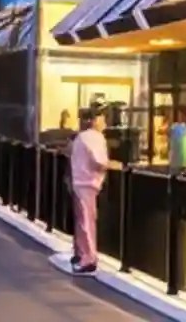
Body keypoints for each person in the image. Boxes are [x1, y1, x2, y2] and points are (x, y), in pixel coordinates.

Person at [69, 108, 113, 275]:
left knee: (81, 221)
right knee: (87, 222)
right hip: (88, 183)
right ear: (95, 121)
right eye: (102, 120)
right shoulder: (94, 137)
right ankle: (89, 258)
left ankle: (80, 254)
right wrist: (113, 165)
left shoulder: (81, 137)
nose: (105, 124)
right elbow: (98, 161)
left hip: (79, 182)